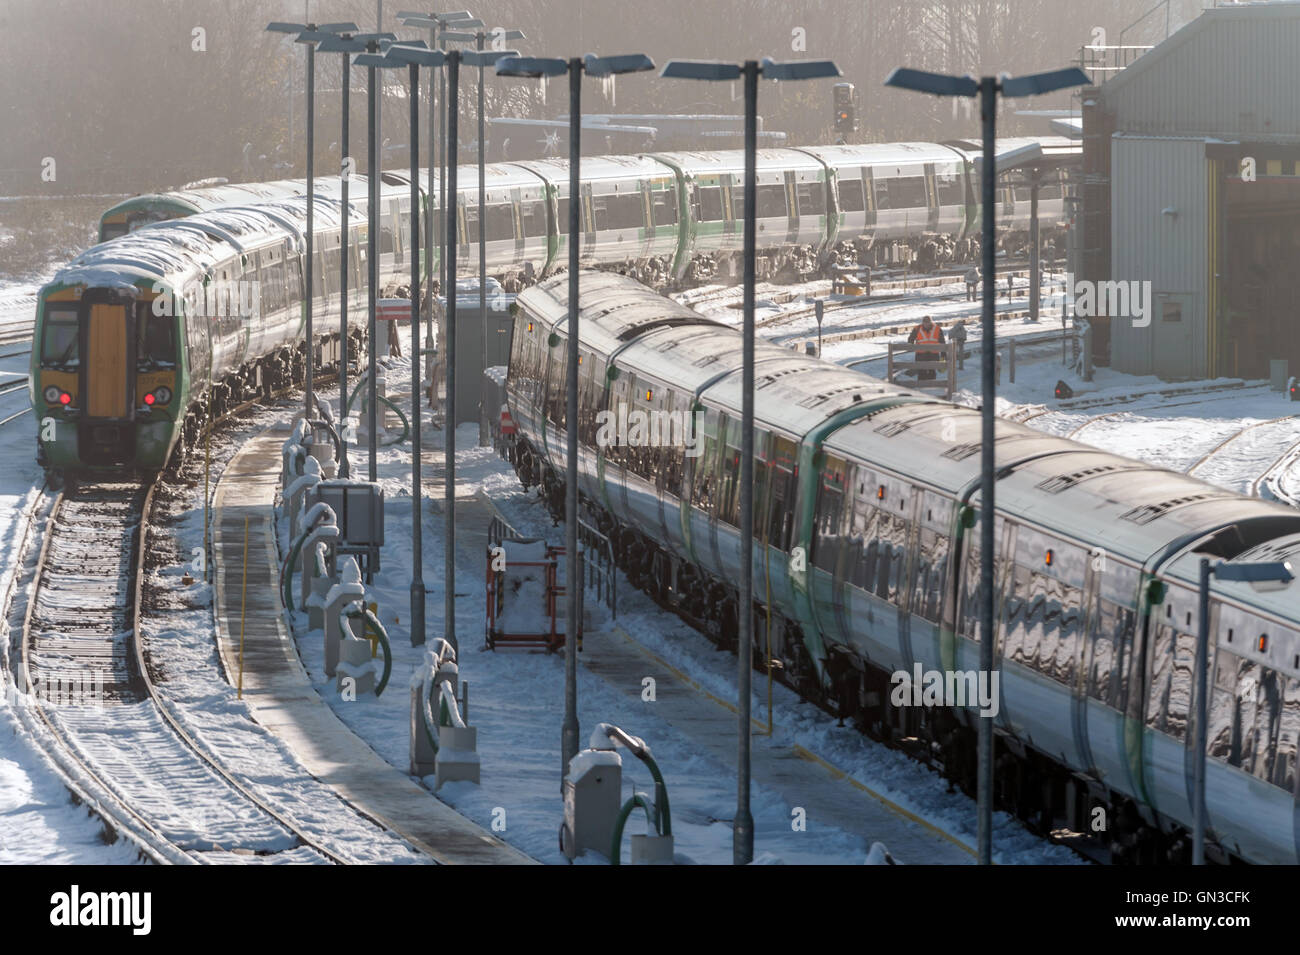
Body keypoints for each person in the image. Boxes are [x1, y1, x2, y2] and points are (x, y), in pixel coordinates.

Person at [907, 314, 945, 380]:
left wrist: (943, 353)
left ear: (931, 322)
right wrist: (911, 345)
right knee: (921, 371)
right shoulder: (917, 329)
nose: (926, 324)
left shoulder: (937, 329)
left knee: (932, 371)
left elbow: (942, 342)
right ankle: (921, 385)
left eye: (928, 322)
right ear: (922, 322)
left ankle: (931, 386)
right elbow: (911, 338)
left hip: (933, 354)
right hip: (921, 354)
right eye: (925, 322)